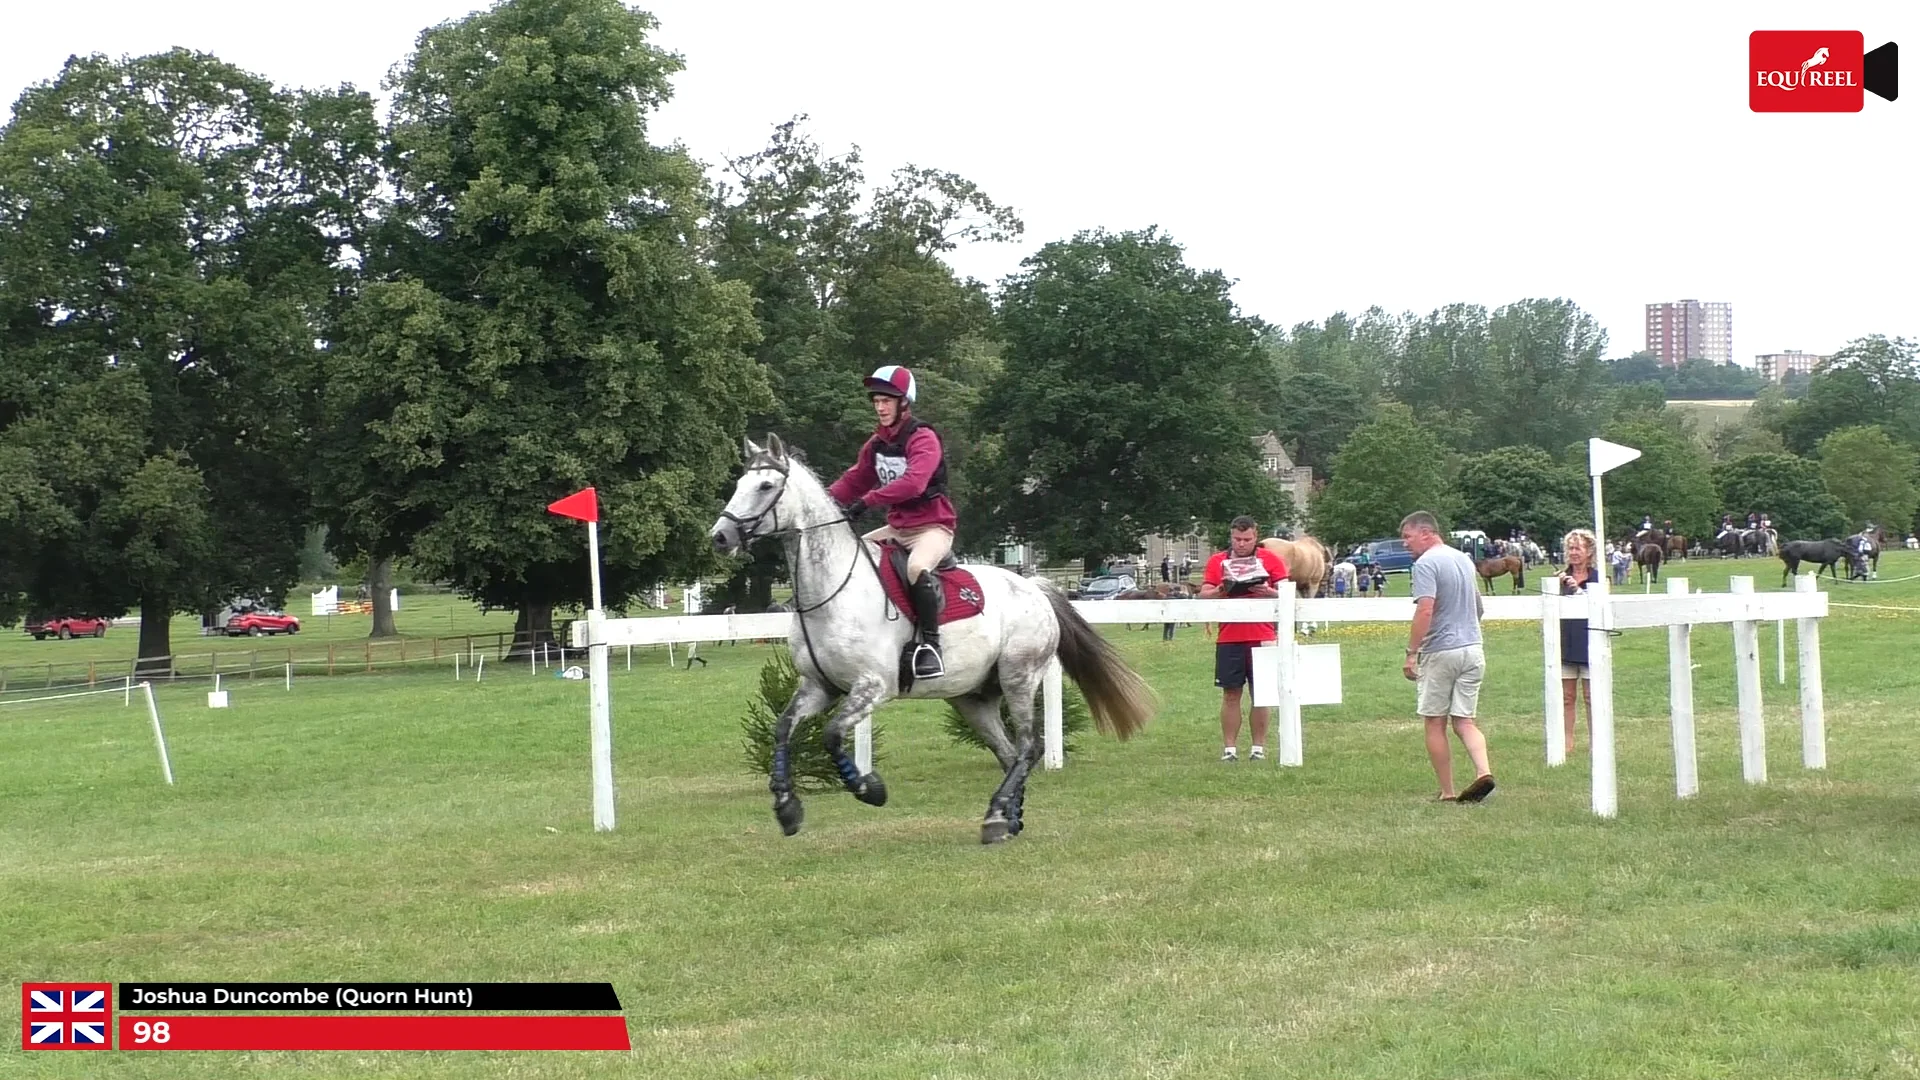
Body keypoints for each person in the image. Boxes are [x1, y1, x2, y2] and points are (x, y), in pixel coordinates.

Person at [827, 365, 957, 679]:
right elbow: (854, 480)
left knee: (915, 569)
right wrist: (822, 503)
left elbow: (913, 483)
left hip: (932, 527)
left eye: (887, 400)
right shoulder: (877, 443)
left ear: (903, 403)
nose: (881, 407)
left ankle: (931, 646)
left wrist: (868, 501)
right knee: (855, 557)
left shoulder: (923, 438)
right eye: (877, 401)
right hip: (898, 528)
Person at [1400, 511, 1494, 803]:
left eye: (1407, 536)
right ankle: (1483, 772)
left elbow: (1426, 609)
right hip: (1473, 647)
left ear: (1426, 533)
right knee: (1465, 721)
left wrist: (1412, 653)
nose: (1405, 543)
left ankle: (1448, 791)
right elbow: (1478, 607)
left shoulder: (1426, 564)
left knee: (1434, 722)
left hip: (1442, 650)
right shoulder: (1463, 559)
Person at [1200, 516, 1290, 762]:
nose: (1241, 544)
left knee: (1262, 694)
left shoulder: (1270, 559)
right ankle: (1229, 749)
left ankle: (1258, 748)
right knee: (1230, 694)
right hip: (1229, 637)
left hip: (1262, 635)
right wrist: (1220, 590)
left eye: (1247, 539)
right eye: (1237, 539)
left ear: (1255, 536)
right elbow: (1203, 594)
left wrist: (1268, 591)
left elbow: (1287, 592)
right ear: (1231, 537)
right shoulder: (1217, 561)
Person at [1556, 529, 1600, 751]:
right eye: (1570, 548)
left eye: (1578, 548)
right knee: (1567, 697)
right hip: (1566, 645)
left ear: (1589, 552)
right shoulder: (1559, 580)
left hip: (1590, 645)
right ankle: (1567, 743)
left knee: (1592, 696)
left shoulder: (1598, 579)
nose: (1573, 553)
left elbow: (1600, 608)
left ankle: (1596, 742)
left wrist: (1578, 589)